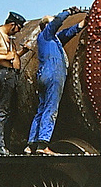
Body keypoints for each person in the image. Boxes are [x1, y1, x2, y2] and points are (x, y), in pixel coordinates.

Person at [26, 8, 85, 154]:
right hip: (53, 73)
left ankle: (31, 145)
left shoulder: (53, 40)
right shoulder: (45, 35)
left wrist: (84, 22)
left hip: (44, 74)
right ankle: (43, 145)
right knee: (51, 108)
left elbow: (69, 32)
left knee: (41, 109)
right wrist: (68, 12)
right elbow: (57, 22)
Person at [0, 11, 29, 155]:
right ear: (12, 24)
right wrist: (5, 56)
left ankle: (4, 143)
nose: (19, 31)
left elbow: (11, 57)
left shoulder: (8, 37)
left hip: (11, 75)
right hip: (3, 74)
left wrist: (21, 52)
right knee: (2, 110)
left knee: (11, 111)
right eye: (18, 27)